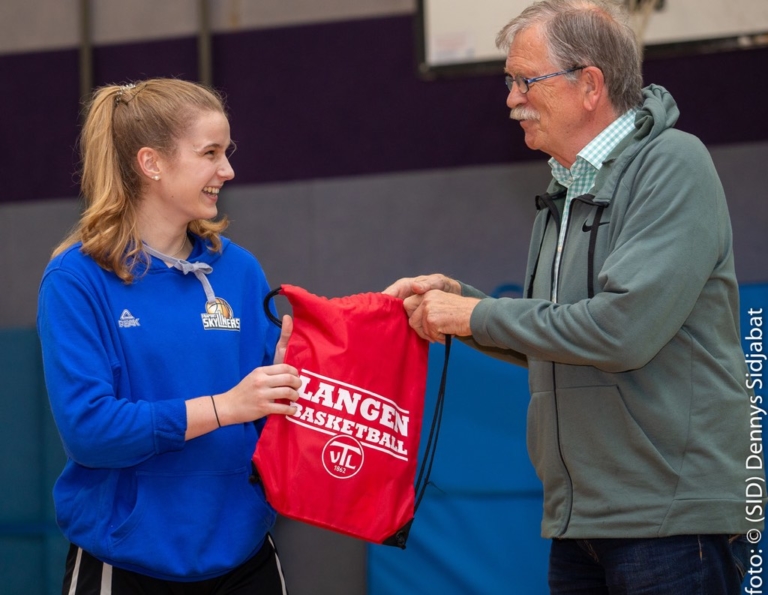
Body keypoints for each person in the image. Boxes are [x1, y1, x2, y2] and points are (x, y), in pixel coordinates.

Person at [385, 1, 757, 593]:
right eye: (509, 82)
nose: (510, 98)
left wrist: (476, 314)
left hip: (669, 521)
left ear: (589, 85)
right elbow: (556, 336)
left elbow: (620, 331)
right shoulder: (565, 191)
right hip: (580, 522)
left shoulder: (672, 163)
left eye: (525, 80)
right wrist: (460, 306)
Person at [37, 78, 302, 594]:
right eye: (210, 153)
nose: (227, 170)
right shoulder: (77, 279)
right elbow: (90, 430)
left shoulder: (238, 269)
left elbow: (272, 415)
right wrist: (226, 406)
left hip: (246, 557)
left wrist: (302, 379)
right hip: (129, 563)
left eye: (227, 152)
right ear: (151, 163)